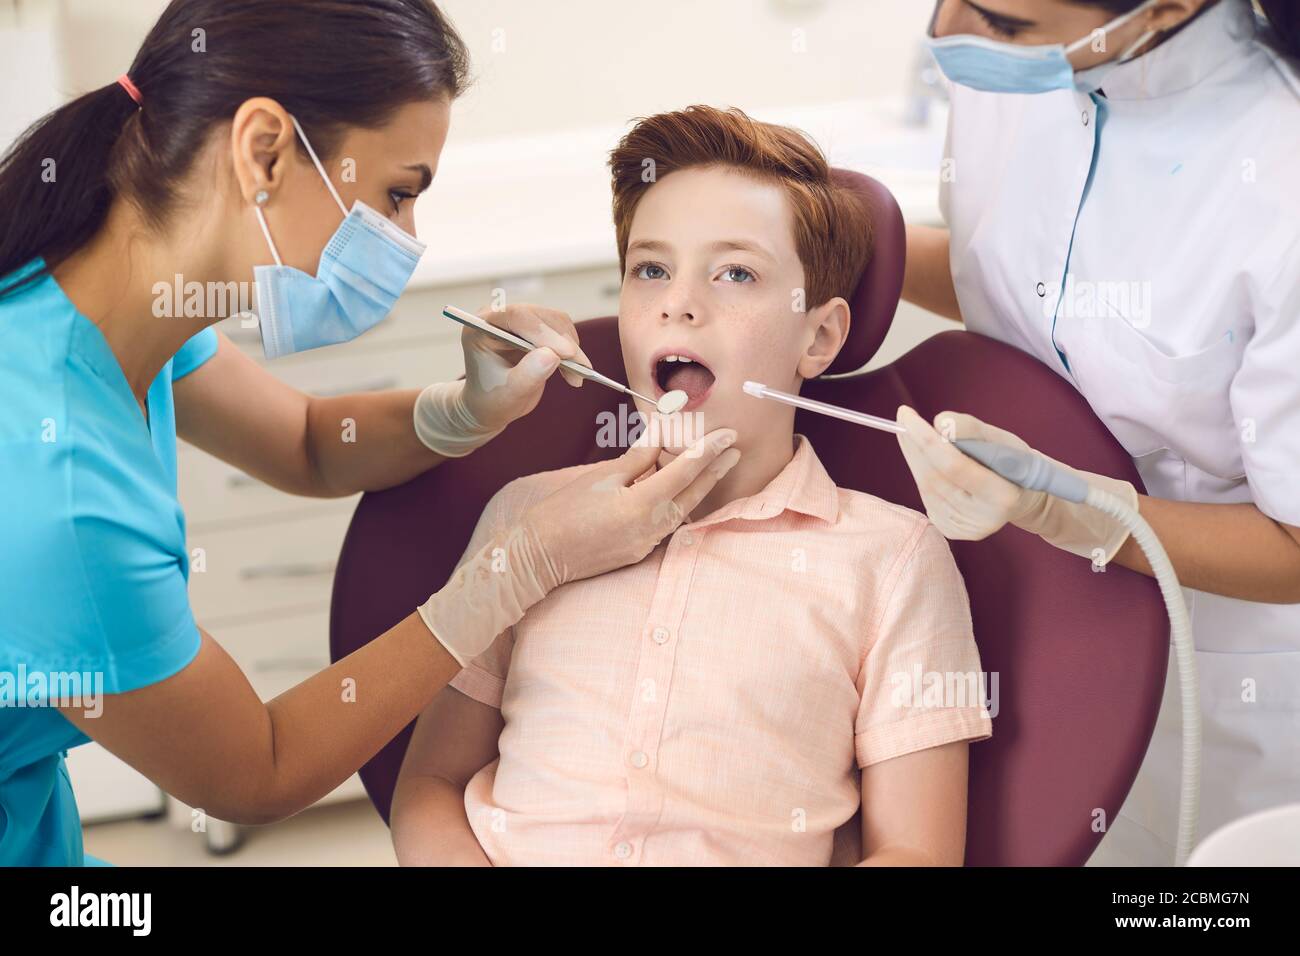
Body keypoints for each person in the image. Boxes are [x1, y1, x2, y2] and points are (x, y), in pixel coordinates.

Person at [0, 0, 739, 867]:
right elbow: (254, 772)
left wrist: (461, 409)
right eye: (397, 193)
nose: (407, 237)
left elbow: (307, 442)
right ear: (263, 149)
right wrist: (512, 572)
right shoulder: (55, 494)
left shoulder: (99, 290)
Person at [391, 107, 993, 867]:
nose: (678, 301)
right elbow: (431, 788)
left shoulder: (895, 561)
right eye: (650, 269)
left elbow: (917, 852)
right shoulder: (526, 517)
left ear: (820, 336)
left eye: (735, 272)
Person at [897, 0, 1300, 864]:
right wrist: (864, 245)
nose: (953, 33)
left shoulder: (1280, 178)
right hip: (1037, 625)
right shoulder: (1008, 85)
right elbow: (1015, 297)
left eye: (1003, 26)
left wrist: (1078, 516)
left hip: (1234, 694)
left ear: (1168, 8)